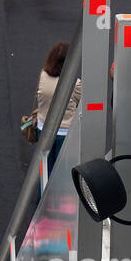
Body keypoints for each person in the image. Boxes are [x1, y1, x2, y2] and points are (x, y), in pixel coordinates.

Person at [34, 41, 82, 179]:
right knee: (61, 173)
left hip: (43, 127)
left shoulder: (43, 75)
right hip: (65, 132)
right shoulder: (75, 83)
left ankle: (41, 200)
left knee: (44, 170)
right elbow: (82, 102)